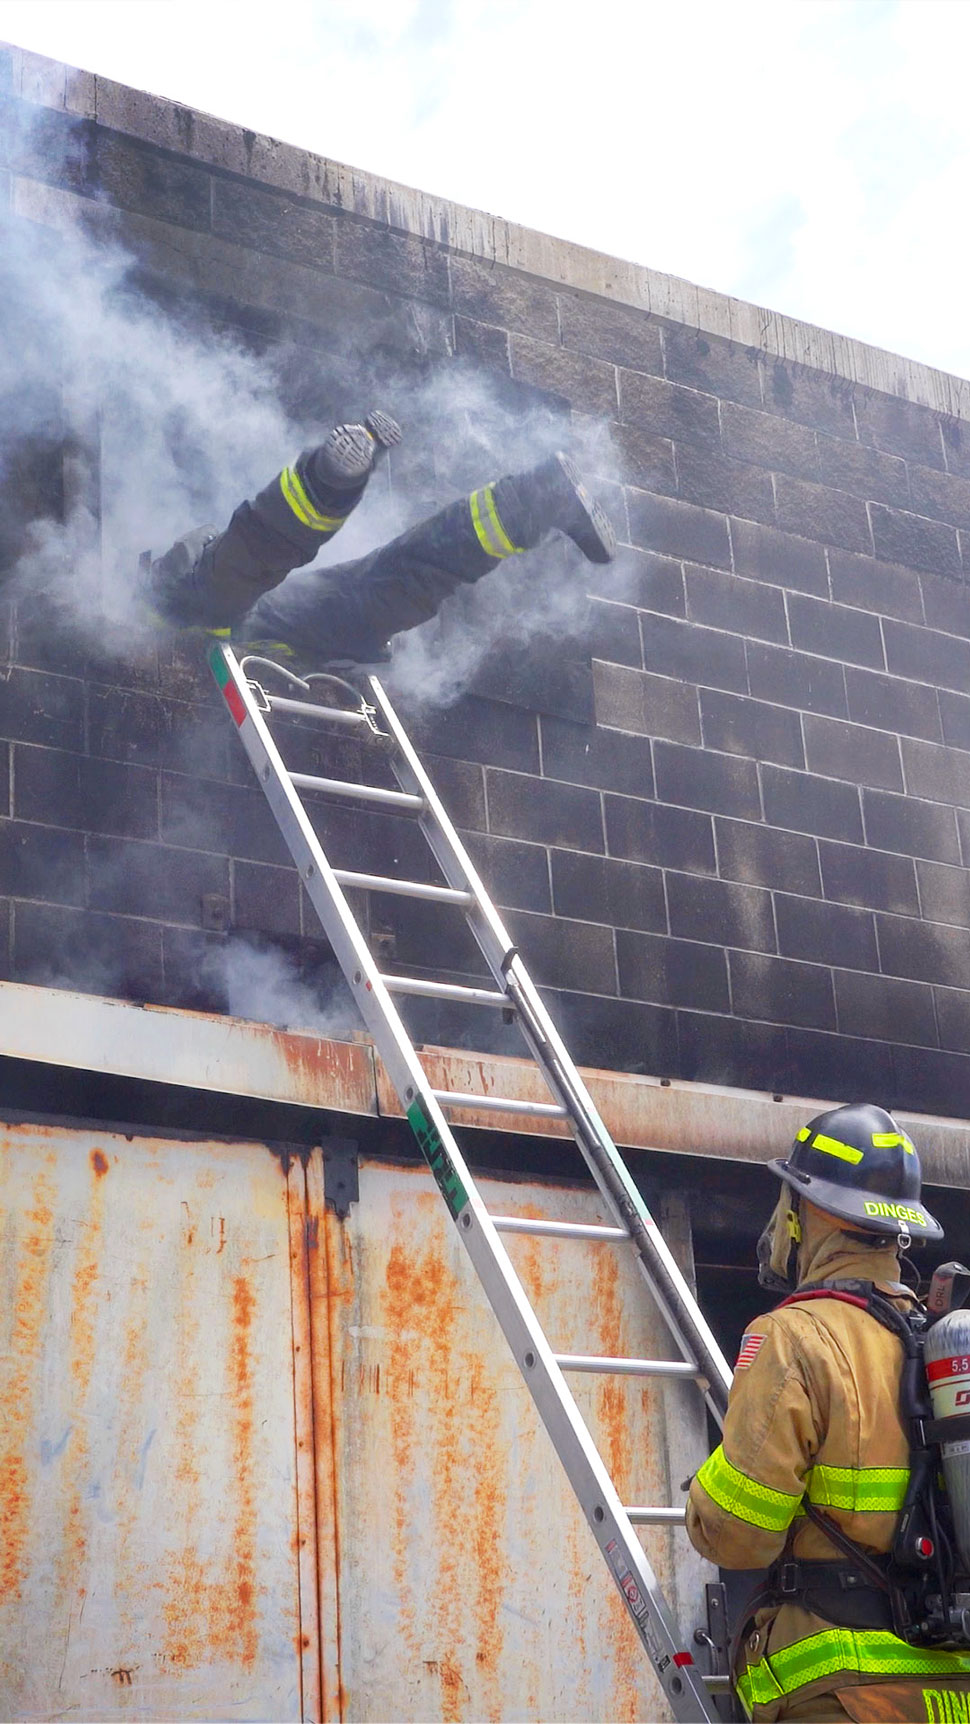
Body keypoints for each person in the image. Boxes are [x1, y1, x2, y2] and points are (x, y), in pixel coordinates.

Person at [686, 1103, 970, 1722]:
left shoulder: (794, 1337)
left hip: (843, 1694)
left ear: (805, 1211)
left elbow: (737, 1535)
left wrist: (705, 1490)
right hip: (952, 1692)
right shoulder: (944, 1344)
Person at [142, 411, 616, 663]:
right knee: (397, 587)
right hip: (276, 631)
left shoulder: (156, 601)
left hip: (201, 607)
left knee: (241, 570)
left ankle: (330, 479)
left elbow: (238, 560)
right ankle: (535, 499)